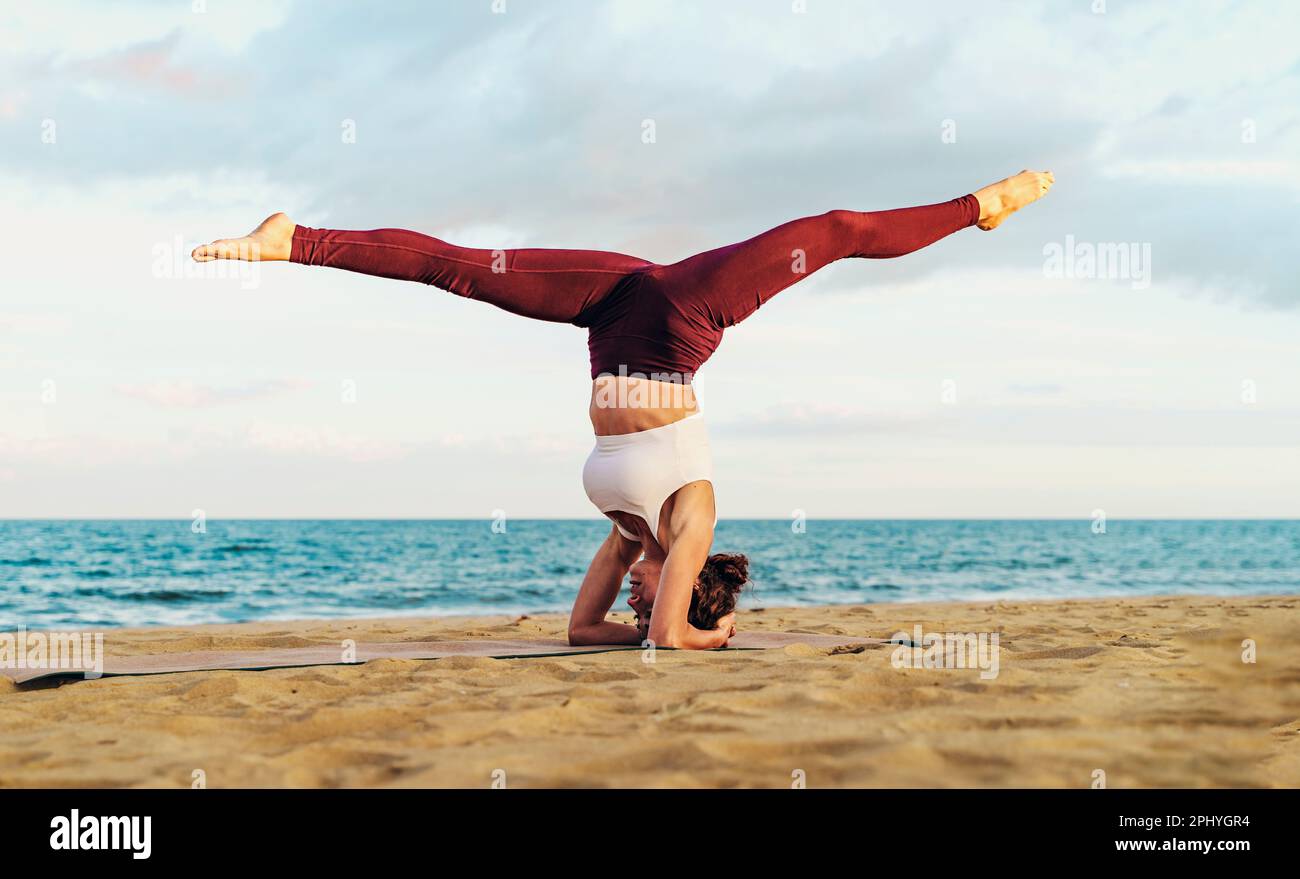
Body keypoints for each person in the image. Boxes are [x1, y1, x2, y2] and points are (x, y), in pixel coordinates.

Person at [194, 170, 1054, 649]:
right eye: (650, 601)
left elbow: (579, 631)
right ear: (695, 586)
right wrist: (701, 636)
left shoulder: (623, 533)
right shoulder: (693, 524)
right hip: (683, 313)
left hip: (611, 309)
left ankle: (293, 243)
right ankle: (981, 207)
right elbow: (673, 642)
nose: (633, 605)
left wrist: (639, 627)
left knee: (458, 270)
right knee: (835, 227)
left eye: (637, 606)